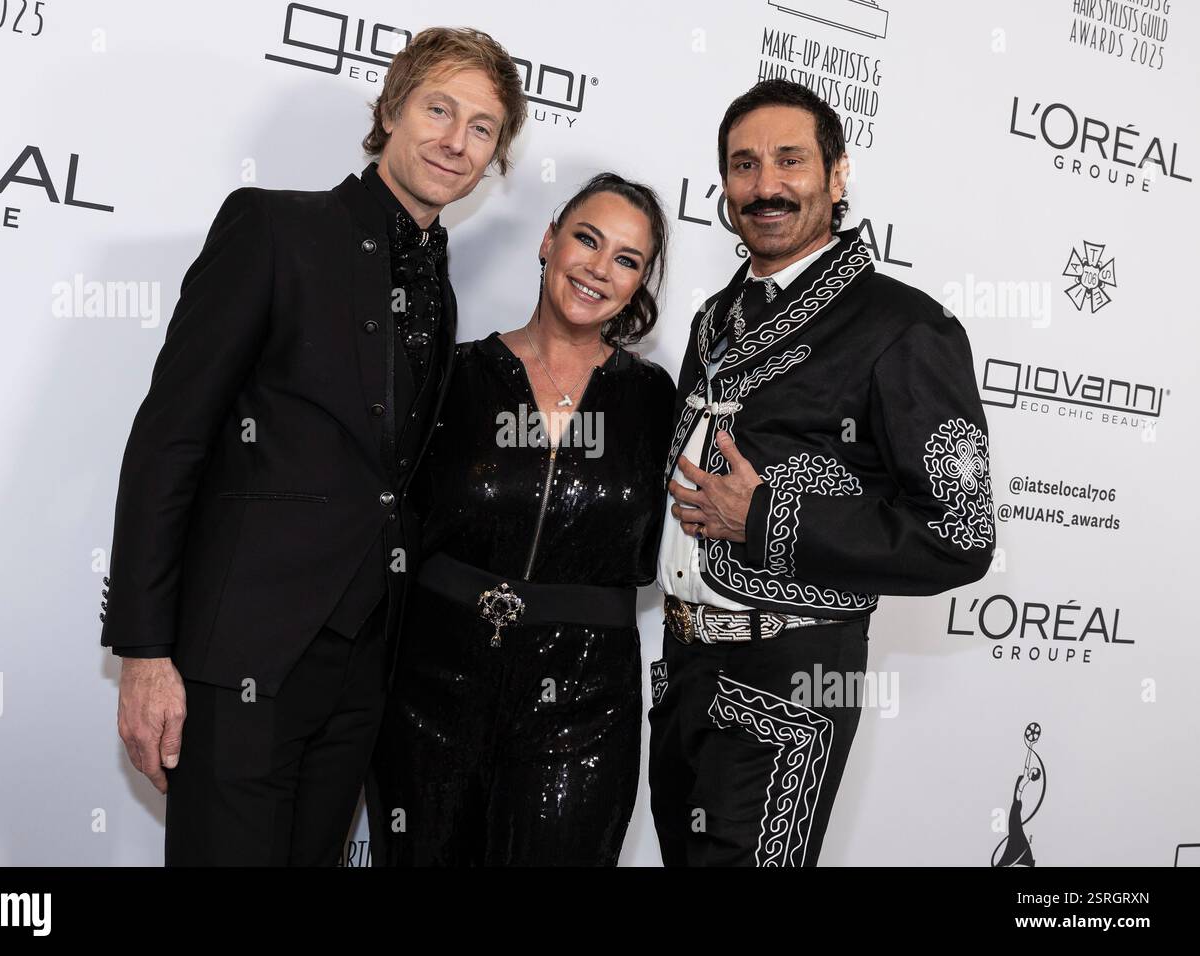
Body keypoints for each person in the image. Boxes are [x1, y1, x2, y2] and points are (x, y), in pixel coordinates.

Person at [98, 27, 528, 865]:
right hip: (244, 654)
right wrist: (145, 653)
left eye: (482, 128)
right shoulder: (271, 228)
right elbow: (168, 440)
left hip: (363, 672)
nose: (455, 141)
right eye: (439, 109)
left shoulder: (442, 284)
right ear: (393, 110)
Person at [649, 78, 996, 866]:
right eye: (743, 165)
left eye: (789, 161)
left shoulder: (906, 325)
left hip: (790, 681)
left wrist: (766, 518)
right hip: (683, 668)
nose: (765, 185)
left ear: (837, 177)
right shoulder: (715, 319)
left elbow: (962, 536)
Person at [369, 173, 675, 866]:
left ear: (638, 285)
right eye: (587, 240)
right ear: (549, 241)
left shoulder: (654, 400)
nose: (599, 268)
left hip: (585, 700)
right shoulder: (457, 375)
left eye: (626, 259)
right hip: (433, 686)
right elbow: (391, 526)